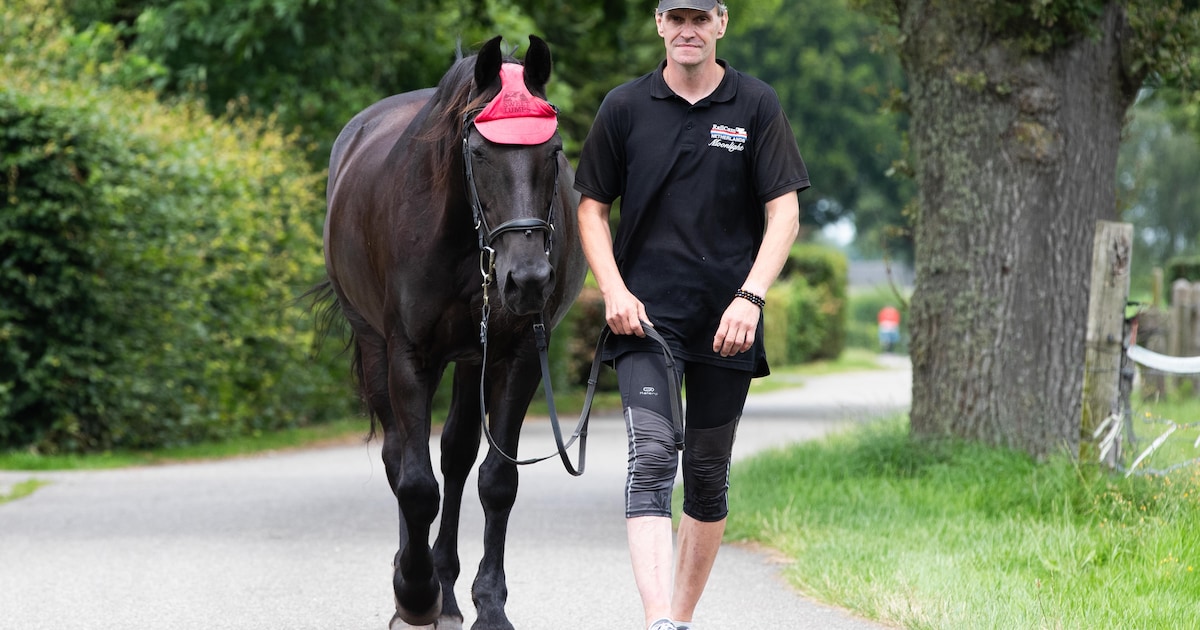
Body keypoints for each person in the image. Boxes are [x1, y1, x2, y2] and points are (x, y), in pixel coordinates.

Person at [573, 2, 810, 628]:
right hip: (644, 320)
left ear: (721, 23)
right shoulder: (623, 108)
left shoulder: (756, 105)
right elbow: (591, 208)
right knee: (652, 455)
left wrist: (751, 297)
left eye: (699, 17)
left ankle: (680, 616)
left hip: (727, 322)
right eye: (676, 16)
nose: (688, 29)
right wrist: (614, 290)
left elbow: (783, 212)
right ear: (658, 23)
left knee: (706, 474)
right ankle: (657, 619)